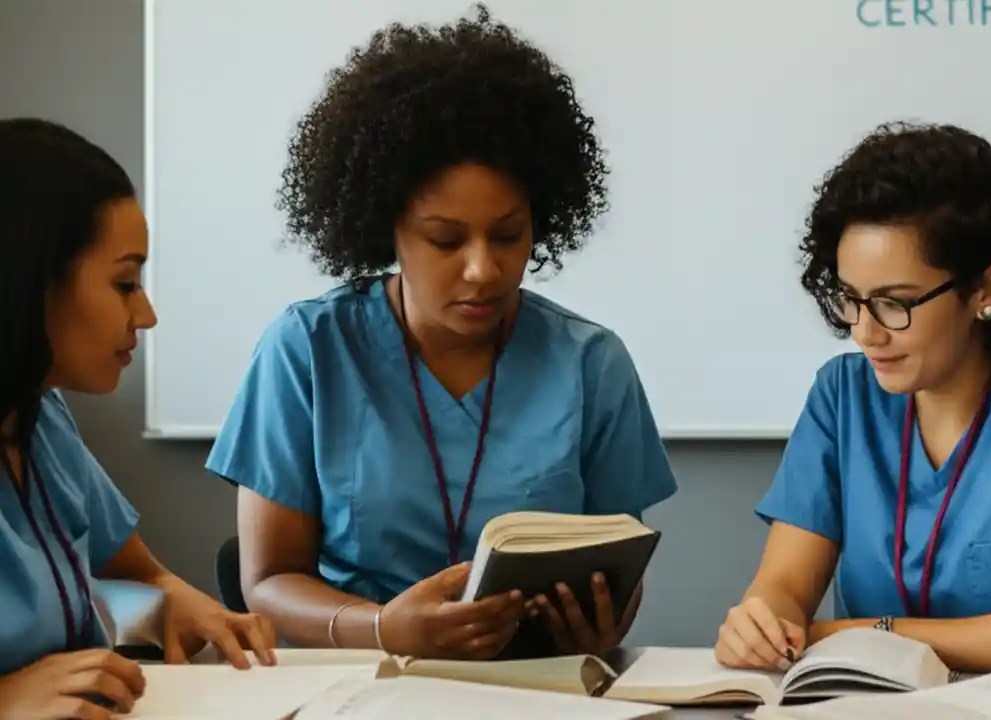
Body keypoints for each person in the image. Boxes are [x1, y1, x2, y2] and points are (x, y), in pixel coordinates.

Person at [206, 7, 677, 661]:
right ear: (385, 227)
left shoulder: (591, 365)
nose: (484, 269)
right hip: (361, 678)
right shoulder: (307, 351)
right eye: (445, 239)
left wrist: (598, 629)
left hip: (540, 687)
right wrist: (382, 628)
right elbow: (266, 581)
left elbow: (620, 580)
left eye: (509, 235)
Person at [715, 122, 991, 675]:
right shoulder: (841, 396)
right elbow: (782, 587)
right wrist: (762, 624)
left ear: (986, 291)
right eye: (849, 299)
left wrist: (869, 633)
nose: (865, 332)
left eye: (895, 303)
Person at [0, 118, 276, 720]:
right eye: (124, 283)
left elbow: (137, 579)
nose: (145, 314)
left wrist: (175, 607)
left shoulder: (42, 419)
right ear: (29, 281)